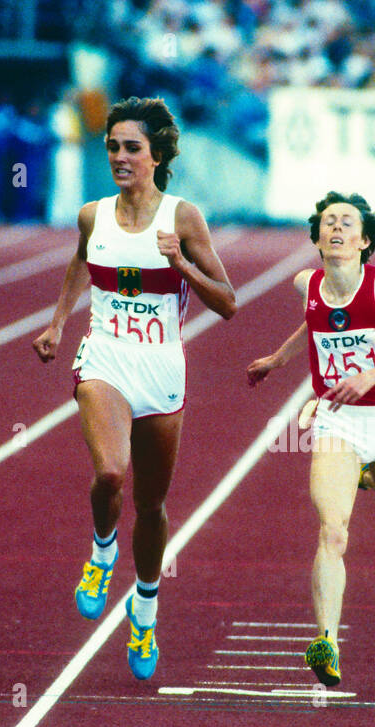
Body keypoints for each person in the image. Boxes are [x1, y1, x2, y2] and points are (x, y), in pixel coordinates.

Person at [33, 96, 237, 680]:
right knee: (110, 474)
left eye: (132, 148)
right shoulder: (92, 215)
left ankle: (144, 609)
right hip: (104, 359)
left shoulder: (183, 219)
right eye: (113, 147)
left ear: (156, 156)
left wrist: (183, 266)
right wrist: (57, 323)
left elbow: (227, 303)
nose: (120, 157)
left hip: (162, 369)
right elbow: (81, 261)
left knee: (150, 505)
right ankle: (101, 553)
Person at [246, 191, 375, 687]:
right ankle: (326, 641)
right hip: (337, 420)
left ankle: (371, 475)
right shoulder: (305, 283)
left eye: (346, 222)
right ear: (316, 238)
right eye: (327, 222)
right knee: (333, 532)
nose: (335, 228)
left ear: (365, 240)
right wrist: (278, 359)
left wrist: (374, 376)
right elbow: (314, 325)